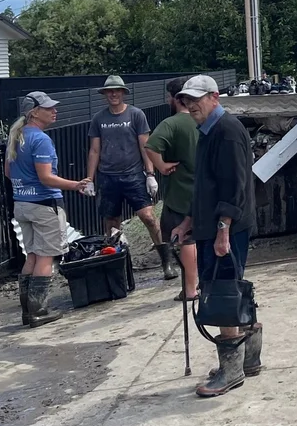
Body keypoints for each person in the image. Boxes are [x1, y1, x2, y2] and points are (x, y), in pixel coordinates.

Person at [170, 74, 260, 398]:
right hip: (217, 225)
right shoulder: (208, 130)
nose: (191, 105)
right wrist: (188, 221)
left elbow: (234, 186)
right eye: (187, 100)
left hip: (228, 227)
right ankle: (248, 359)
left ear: (214, 97)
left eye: (197, 99)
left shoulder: (226, 130)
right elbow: (205, 186)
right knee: (232, 287)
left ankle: (232, 371)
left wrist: (223, 230)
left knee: (223, 293)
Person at [4, 91, 93, 328]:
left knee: (32, 255)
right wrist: (76, 185)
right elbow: (46, 177)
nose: (55, 111)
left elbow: (8, 172)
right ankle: (38, 311)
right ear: (34, 113)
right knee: (46, 257)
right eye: (48, 108)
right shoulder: (41, 139)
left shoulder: (16, 136)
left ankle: (27, 312)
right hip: (44, 205)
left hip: (22, 204)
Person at [85, 75, 166, 272]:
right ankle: (119, 267)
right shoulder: (99, 119)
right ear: (105, 94)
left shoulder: (136, 115)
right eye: (109, 91)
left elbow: (145, 146)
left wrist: (150, 174)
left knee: (148, 217)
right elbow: (94, 150)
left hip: (133, 175)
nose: (113, 94)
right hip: (107, 177)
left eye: (116, 91)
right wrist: (89, 179)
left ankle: (166, 260)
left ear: (123, 93)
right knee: (112, 224)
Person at [143, 78, 200, 298]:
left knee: (186, 240)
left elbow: (150, 145)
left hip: (181, 192)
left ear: (176, 98)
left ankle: (190, 289)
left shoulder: (171, 123)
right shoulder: (202, 120)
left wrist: (161, 166)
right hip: (204, 189)